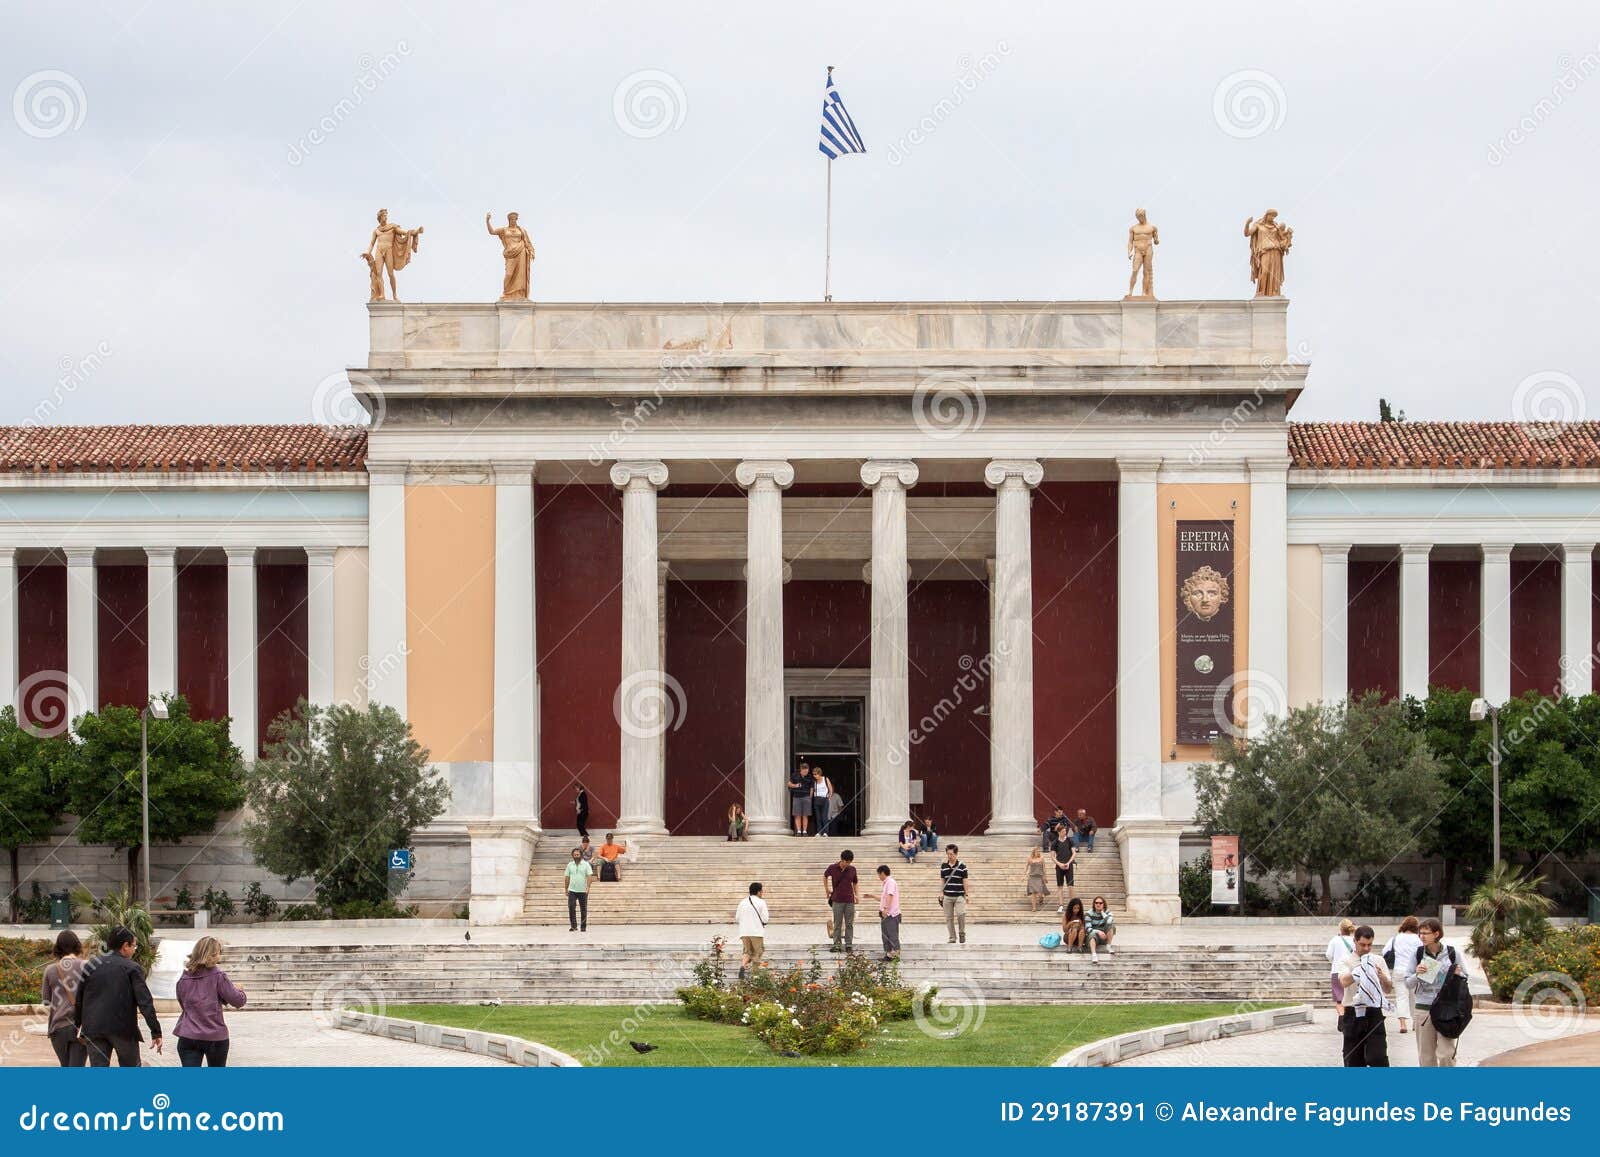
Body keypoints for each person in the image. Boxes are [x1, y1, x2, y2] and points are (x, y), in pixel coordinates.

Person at [74, 926, 162, 1067]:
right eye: (134, 945)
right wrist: (155, 1031)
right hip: (123, 1030)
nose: (134, 949)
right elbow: (145, 1002)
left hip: (94, 1028)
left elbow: (79, 998)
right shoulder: (132, 968)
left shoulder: (91, 965)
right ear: (125, 946)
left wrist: (77, 1024)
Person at [1400, 916, 1468, 1067]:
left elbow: (1465, 976)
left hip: (1447, 1009)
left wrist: (1457, 973)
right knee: (1426, 1056)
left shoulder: (1452, 953)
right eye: (1420, 933)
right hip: (1424, 1010)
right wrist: (1417, 974)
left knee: (1446, 1054)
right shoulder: (1417, 954)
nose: (1421, 936)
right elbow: (1407, 983)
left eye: (1426, 933)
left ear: (1436, 934)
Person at [173, 935, 247, 1067]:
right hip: (215, 1037)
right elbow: (238, 1001)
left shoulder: (183, 979)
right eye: (218, 953)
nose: (219, 956)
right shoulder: (218, 976)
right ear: (212, 955)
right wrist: (240, 990)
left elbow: (183, 1004)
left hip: (188, 1035)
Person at [1335, 924, 1393, 1067]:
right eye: (1363, 944)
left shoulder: (1378, 960)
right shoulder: (1345, 961)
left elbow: (1388, 989)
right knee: (1353, 1059)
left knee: (1378, 1057)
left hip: (1373, 1012)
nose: (1366, 948)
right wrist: (1360, 969)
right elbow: (1343, 982)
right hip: (1352, 1012)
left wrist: (1382, 977)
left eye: (1370, 945)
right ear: (1354, 941)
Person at [41, 930, 86, 1067]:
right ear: (77, 945)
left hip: (58, 1027)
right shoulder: (87, 966)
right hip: (80, 1027)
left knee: (65, 1066)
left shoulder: (50, 970)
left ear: (58, 948)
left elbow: (46, 1001)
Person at [1382, 916, 1424, 1034]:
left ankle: (1402, 1023)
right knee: (1415, 997)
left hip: (1399, 970)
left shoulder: (1396, 938)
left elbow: (1385, 951)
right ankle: (1416, 1023)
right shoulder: (1419, 939)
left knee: (1401, 997)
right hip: (1415, 971)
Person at [823, 850, 859, 953]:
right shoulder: (833, 867)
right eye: (846, 862)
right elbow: (825, 876)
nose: (847, 864)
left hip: (849, 900)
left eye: (849, 862)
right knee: (837, 923)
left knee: (849, 923)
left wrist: (857, 895)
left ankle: (848, 944)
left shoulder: (852, 869)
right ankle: (837, 945)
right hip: (837, 900)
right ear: (841, 860)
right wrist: (826, 889)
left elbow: (855, 883)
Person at [736, 882, 769, 979]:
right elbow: (765, 919)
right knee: (757, 954)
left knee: (747, 952)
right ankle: (755, 976)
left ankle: (742, 966)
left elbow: (737, 918)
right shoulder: (761, 902)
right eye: (762, 890)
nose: (762, 893)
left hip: (744, 932)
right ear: (759, 892)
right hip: (756, 932)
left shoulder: (742, 902)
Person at [1325, 918, 1356, 1019]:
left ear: (1341, 929)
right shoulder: (1354, 941)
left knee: (1339, 1000)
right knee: (1350, 999)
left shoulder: (1334, 940)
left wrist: (1334, 962)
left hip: (1336, 971)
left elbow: (1328, 955)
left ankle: (1342, 1017)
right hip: (1350, 973)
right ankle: (1348, 1019)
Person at [939, 844, 969, 945]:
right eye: (948, 854)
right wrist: (941, 892)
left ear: (956, 854)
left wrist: (967, 894)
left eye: (951, 854)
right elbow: (943, 881)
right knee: (949, 918)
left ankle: (962, 933)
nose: (949, 856)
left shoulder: (962, 867)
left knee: (961, 914)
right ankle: (952, 937)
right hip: (947, 896)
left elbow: (965, 881)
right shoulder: (943, 866)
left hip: (959, 895)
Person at [564, 847, 594, 931]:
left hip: (583, 890)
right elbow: (567, 877)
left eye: (578, 854)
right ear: (572, 856)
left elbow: (589, 876)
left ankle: (583, 926)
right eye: (575, 855)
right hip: (572, 890)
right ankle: (573, 926)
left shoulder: (586, 864)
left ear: (581, 855)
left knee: (583, 909)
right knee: (571, 907)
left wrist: (588, 887)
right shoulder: (570, 865)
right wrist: (566, 889)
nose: (576, 856)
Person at [876, 865, 901, 961]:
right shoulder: (886, 883)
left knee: (892, 934)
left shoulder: (890, 882)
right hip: (886, 914)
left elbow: (890, 895)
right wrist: (872, 896)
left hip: (891, 914)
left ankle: (895, 955)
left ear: (882, 873)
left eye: (879, 874)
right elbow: (884, 898)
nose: (879, 877)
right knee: (886, 934)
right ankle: (889, 954)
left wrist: (886, 909)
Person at [1084, 896, 1117, 962]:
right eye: (1096, 903)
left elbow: (1109, 921)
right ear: (1094, 904)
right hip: (1093, 937)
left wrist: (1102, 913)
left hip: (1104, 936)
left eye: (1100, 903)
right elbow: (1087, 928)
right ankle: (1094, 954)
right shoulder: (1089, 913)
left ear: (1103, 904)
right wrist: (1098, 931)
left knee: (1112, 926)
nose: (1098, 904)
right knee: (1092, 934)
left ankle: (1108, 946)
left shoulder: (1107, 912)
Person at [1052, 831, 1077, 913]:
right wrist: (1059, 864)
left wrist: (1069, 863)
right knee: (1060, 886)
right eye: (1063, 831)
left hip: (1068, 866)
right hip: (1059, 866)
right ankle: (1061, 905)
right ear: (1059, 832)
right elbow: (1052, 857)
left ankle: (1073, 906)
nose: (1064, 833)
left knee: (1071, 886)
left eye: (1065, 831)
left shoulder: (1070, 840)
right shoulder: (1055, 842)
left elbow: (1074, 853)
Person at [811, 765, 835, 837]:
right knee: (818, 817)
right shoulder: (814, 781)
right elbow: (812, 790)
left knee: (824, 816)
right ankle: (819, 832)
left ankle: (826, 832)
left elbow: (830, 789)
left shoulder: (825, 779)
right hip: (816, 799)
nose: (815, 776)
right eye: (813, 774)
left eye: (816, 774)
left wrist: (829, 797)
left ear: (819, 773)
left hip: (824, 799)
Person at [788, 761, 812, 836]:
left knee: (805, 815)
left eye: (807, 770)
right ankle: (798, 831)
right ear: (801, 769)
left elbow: (812, 788)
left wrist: (810, 797)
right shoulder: (795, 775)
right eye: (804, 770)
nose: (805, 772)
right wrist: (795, 785)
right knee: (797, 814)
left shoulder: (810, 777)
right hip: (797, 797)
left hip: (806, 797)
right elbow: (788, 783)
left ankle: (804, 831)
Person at [1023, 847, 1048, 912]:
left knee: (1040, 892)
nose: (1038, 852)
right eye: (1037, 851)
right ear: (1033, 852)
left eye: (1039, 851)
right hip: (1032, 877)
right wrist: (1024, 875)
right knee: (1033, 893)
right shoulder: (1029, 859)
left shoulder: (1042, 859)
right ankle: (1034, 907)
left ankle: (1041, 897)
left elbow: (1044, 868)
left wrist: (1045, 876)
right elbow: (1026, 867)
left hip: (1039, 877)